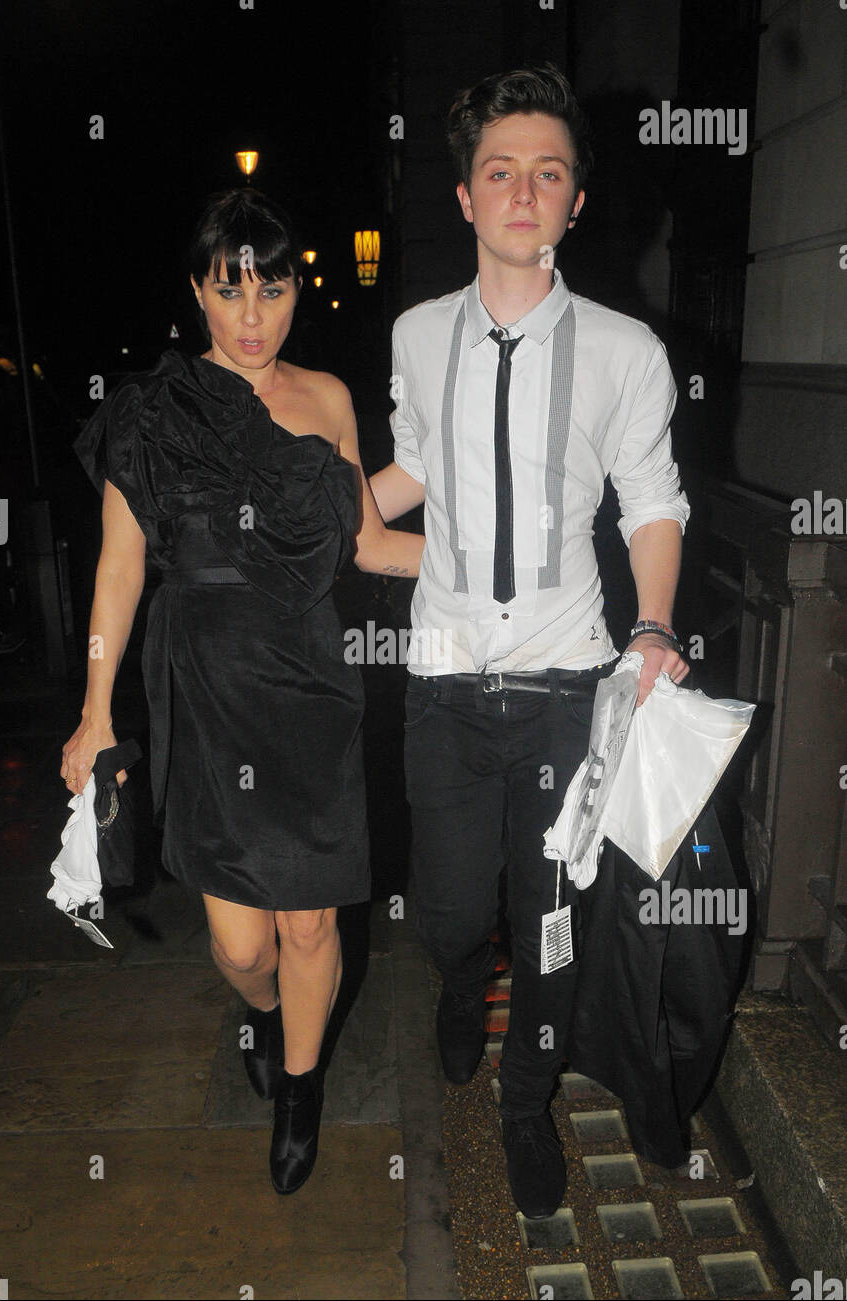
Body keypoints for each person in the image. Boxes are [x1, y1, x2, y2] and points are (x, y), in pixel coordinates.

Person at [370, 63, 690, 1218]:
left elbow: (652, 501)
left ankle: (522, 1105)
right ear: (463, 196)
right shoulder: (412, 337)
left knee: (552, 925)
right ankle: (461, 983)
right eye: (498, 171)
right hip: (446, 688)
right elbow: (416, 471)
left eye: (546, 173)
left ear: (573, 202)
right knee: (453, 917)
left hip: (566, 689)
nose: (521, 191)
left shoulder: (624, 352)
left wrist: (650, 623)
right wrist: (314, 517)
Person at [62, 188, 424, 1196]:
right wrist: (96, 710)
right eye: (231, 289)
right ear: (197, 293)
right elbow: (120, 570)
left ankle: (299, 1090)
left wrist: (486, 564)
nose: (254, 312)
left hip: (309, 681)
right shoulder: (148, 412)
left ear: (296, 290)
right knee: (238, 940)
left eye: (272, 286)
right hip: (206, 683)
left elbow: (364, 542)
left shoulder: (329, 400)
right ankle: (261, 1014)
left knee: (310, 924)